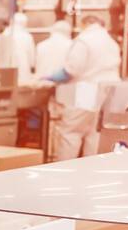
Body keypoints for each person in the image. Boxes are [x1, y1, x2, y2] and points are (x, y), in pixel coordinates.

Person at [40, 14, 122, 159]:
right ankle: (90, 173)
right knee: (94, 133)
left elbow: (72, 69)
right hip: (110, 91)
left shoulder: (84, 40)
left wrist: (51, 76)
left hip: (88, 90)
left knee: (71, 132)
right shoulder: (111, 42)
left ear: (85, 24)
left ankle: (65, 172)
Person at [0, 11, 37, 84]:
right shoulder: (27, 36)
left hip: (6, 69)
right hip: (23, 69)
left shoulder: (5, 34)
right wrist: (32, 65)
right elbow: (32, 57)